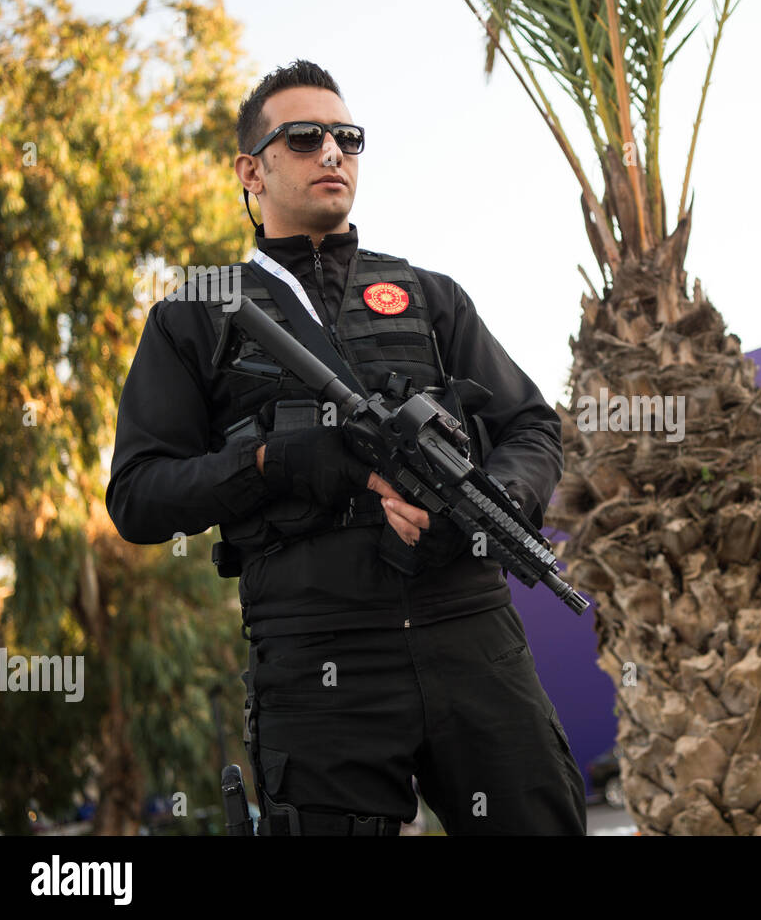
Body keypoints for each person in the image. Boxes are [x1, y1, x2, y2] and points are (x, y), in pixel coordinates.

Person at [105, 59, 586, 835]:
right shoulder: (195, 317)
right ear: (250, 172)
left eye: (348, 138)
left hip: (469, 628)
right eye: (303, 137)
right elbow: (138, 496)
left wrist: (495, 499)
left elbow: (532, 425)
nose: (332, 152)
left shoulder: (429, 296)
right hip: (316, 653)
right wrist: (274, 461)